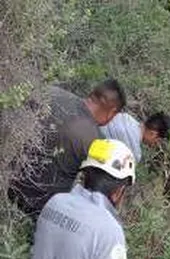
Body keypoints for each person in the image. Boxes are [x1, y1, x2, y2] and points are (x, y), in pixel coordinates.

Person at [7, 79, 127, 221]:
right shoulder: (96, 141)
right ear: (112, 112)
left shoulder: (50, 92)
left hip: (6, 180)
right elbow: (95, 190)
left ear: (92, 94)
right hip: (36, 211)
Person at [100, 110, 170, 163]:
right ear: (153, 134)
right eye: (159, 141)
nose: (157, 145)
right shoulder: (133, 153)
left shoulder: (125, 117)